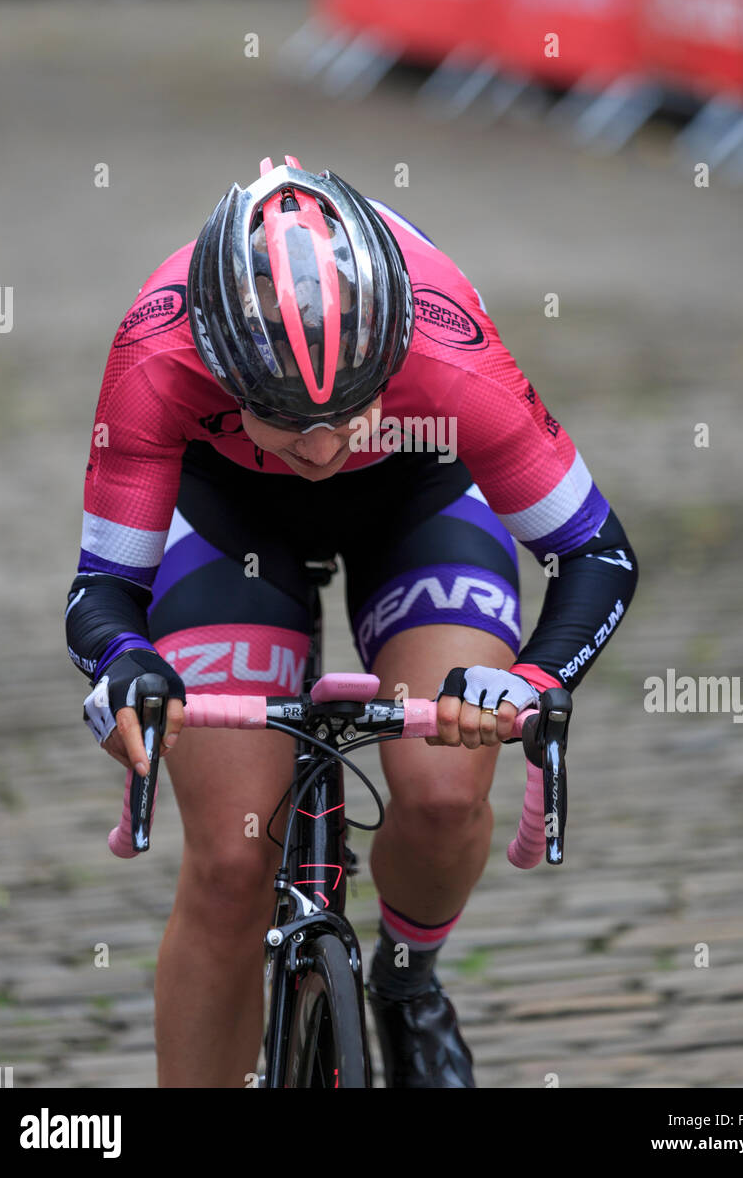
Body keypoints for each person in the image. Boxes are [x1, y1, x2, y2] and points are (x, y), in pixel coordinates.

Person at [66, 155, 638, 1088]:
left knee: (448, 792)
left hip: (417, 494)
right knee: (226, 868)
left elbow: (597, 554)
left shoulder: (448, 343)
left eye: (352, 411)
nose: (326, 447)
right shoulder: (157, 349)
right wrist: (128, 663)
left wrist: (536, 681)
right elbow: (102, 589)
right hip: (227, 512)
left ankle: (407, 983)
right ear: (221, 368)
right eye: (291, 422)